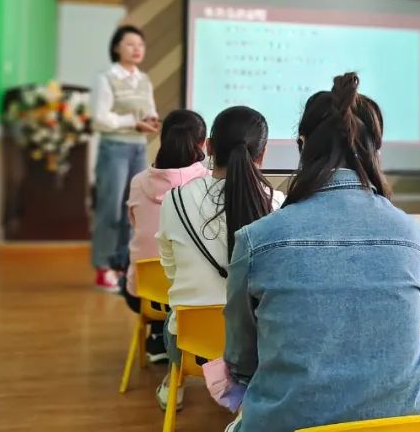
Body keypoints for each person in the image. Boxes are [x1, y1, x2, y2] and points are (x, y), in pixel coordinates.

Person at [221, 73, 420, 432]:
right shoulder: (410, 234)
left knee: (235, 427)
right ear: (376, 151)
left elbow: (241, 360)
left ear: (302, 146)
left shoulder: (258, 239)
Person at [155, 106, 282, 411]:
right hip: (258, 346)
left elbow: (171, 270)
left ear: (209, 147)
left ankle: (175, 383)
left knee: (171, 321)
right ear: (262, 155)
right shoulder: (277, 204)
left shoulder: (174, 200)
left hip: (191, 343)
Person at [123, 110, 209, 364]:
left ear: (162, 139)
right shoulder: (207, 183)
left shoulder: (138, 182)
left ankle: (159, 334)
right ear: (203, 144)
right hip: (192, 298)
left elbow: (135, 224)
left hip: (142, 295)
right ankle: (187, 340)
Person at [91, 25, 159, 291]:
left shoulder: (144, 79)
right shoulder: (107, 78)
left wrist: (151, 122)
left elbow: (149, 110)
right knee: (109, 209)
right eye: (130, 44)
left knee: (132, 209)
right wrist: (133, 122)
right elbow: (100, 118)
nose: (137, 49)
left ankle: (123, 265)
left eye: (140, 44)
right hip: (115, 148)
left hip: (138, 148)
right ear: (117, 47)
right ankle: (103, 266)